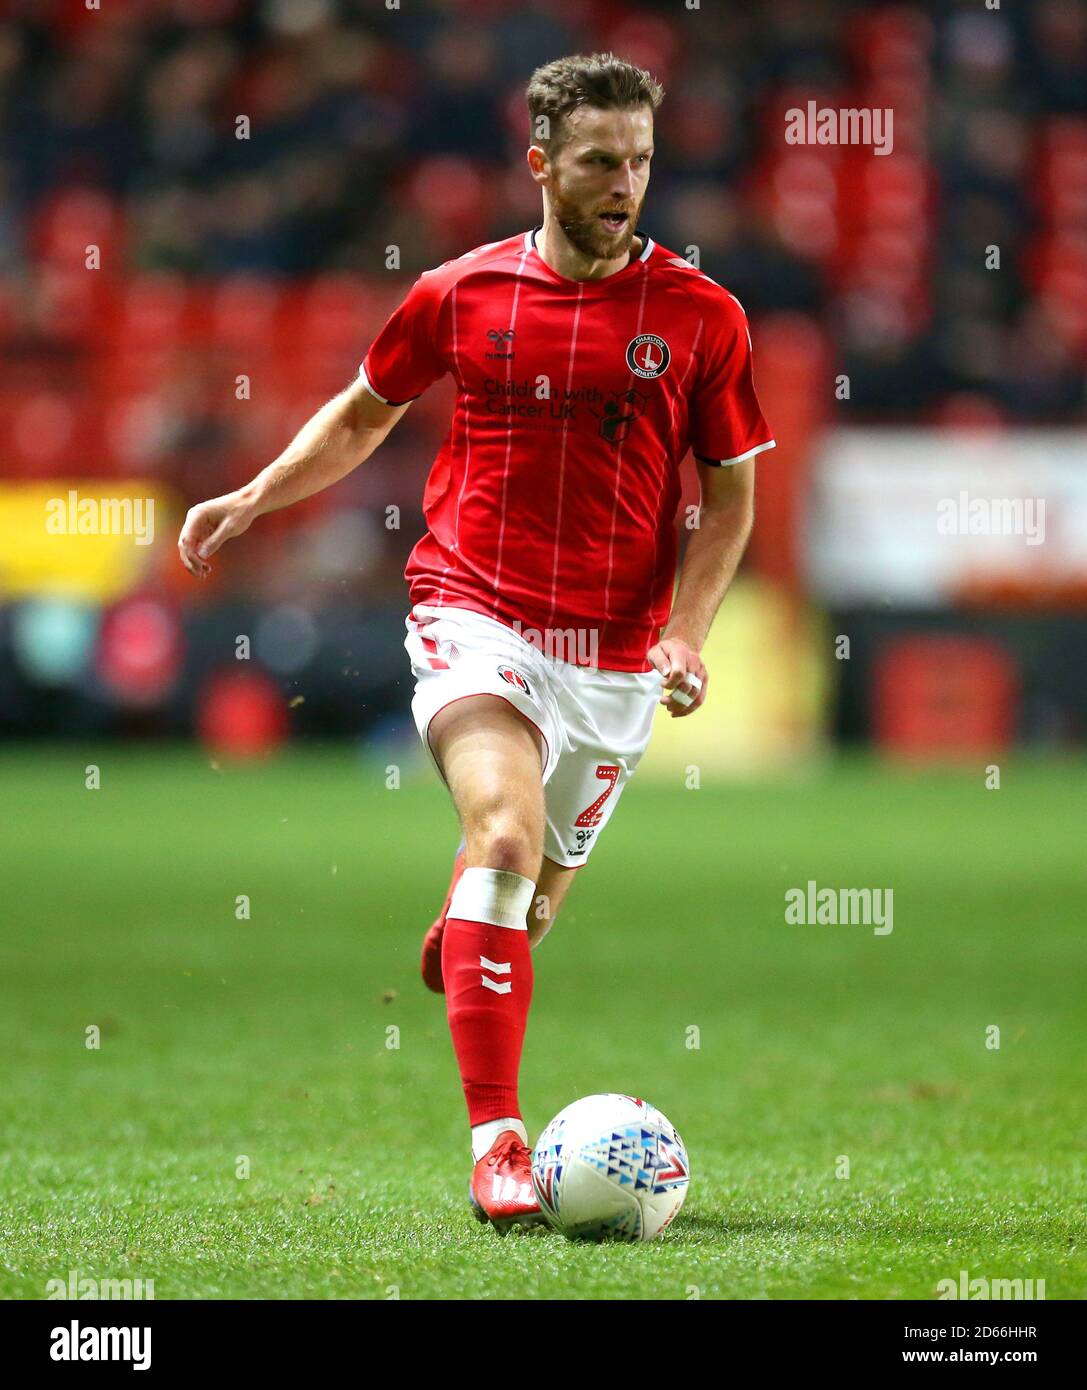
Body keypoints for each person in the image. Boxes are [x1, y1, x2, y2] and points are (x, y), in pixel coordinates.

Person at [178, 52, 774, 1234]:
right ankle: (497, 1143)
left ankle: (476, 929)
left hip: (612, 656)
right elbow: (363, 411)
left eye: (642, 160)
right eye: (602, 159)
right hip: (474, 610)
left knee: (521, 909)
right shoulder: (460, 292)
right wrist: (252, 498)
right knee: (499, 830)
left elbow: (733, 493)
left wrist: (687, 634)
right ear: (542, 161)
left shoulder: (702, 318)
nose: (625, 182)